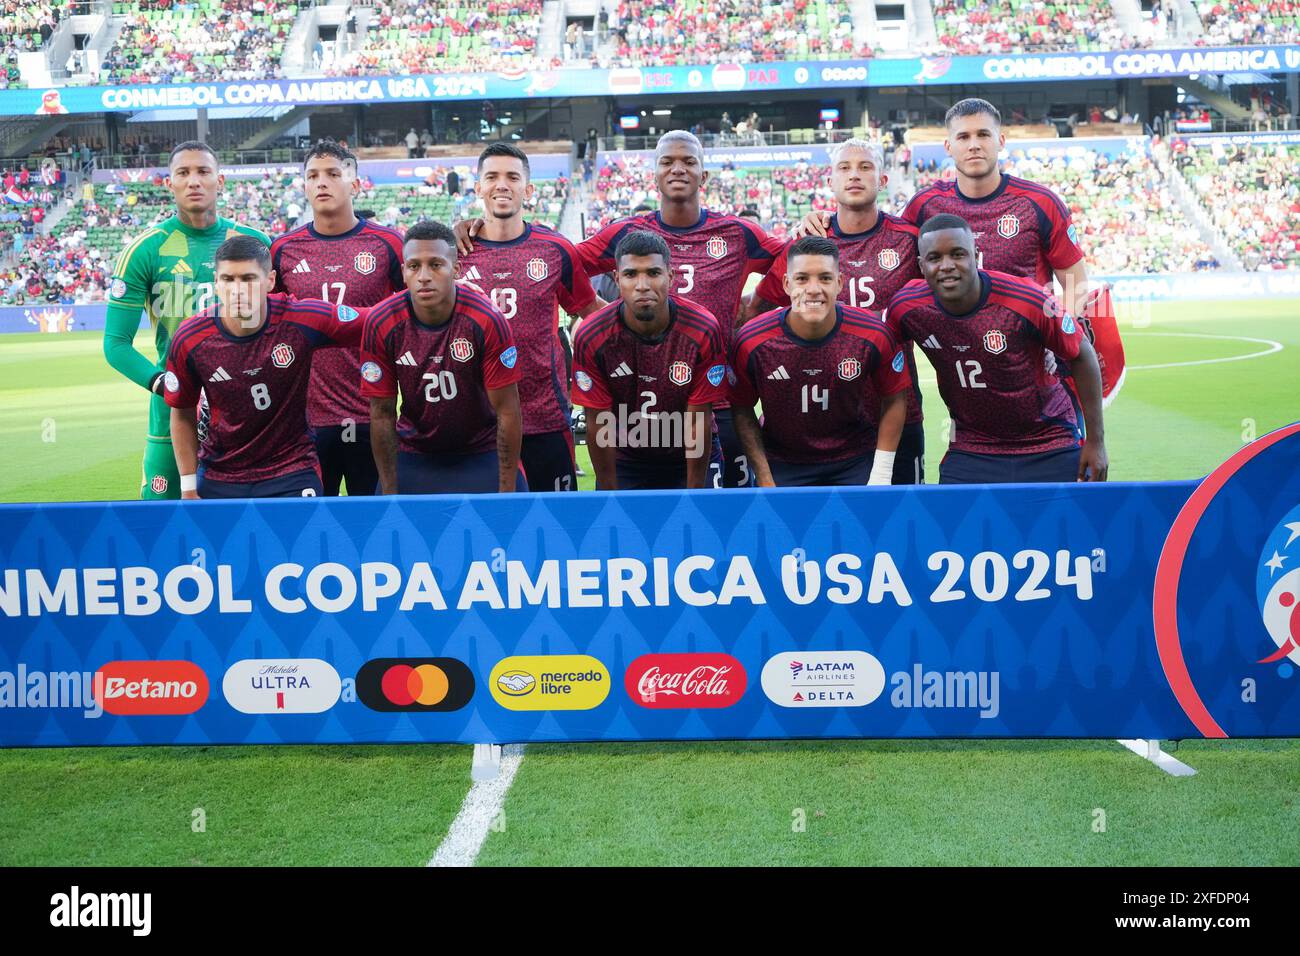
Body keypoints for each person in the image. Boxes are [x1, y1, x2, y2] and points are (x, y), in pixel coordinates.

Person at [459, 131, 784, 488]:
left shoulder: (737, 232)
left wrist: (756, 306)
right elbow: (560, 260)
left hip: (717, 403)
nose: (678, 169)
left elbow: (794, 262)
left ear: (704, 176)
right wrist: (474, 231)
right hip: (636, 407)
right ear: (654, 174)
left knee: (723, 520)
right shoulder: (624, 233)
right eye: (667, 162)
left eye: (689, 162)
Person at [743, 139, 927, 483]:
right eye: (844, 168)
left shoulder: (909, 240)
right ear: (830, 180)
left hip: (897, 407)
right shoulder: (806, 243)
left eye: (865, 167)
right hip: (819, 419)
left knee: (898, 528)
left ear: (883, 180)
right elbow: (758, 311)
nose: (854, 175)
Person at [103, 141, 271, 500]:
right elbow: (115, 344)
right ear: (169, 184)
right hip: (171, 416)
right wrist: (163, 384)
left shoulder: (255, 244)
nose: (194, 181)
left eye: (203, 172)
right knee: (159, 531)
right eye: (183, 173)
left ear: (220, 181)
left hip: (247, 416)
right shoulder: (145, 250)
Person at [886, 215, 1108, 484]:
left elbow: (1082, 354)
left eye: (958, 254)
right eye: (934, 258)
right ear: (921, 265)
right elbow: (881, 358)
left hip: (1048, 439)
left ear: (976, 256)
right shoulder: (907, 308)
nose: (946, 266)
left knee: (1061, 524)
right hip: (972, 445)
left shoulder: (1027, 300)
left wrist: (1096, 442)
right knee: (955, 523)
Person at [163, 235, 365, 499]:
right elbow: (182, 412)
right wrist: (188, 487)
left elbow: (375, 323)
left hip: (292, 470)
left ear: (270, 281)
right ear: (215, 283)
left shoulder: (300, 318)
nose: (237, 290)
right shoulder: (191, 337)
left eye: (248, 279)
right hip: (221, 473)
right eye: (228, 280)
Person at [456, 143, 605, 492]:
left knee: (558, 530)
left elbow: (593, 313)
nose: (502, 185)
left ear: (529, 189)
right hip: (476, 424)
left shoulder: (554, 249)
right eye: (491, 177)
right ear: (478, 188)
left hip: (545, 417)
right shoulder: (455, 252)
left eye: (512, 177)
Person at [271, 140, 405, 498]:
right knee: (312, 531)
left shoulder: (389, 244)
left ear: (355, 185)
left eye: (333, 174)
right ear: (303, 186)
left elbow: (414, 316)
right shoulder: (283, 249)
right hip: (306, 423)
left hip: (373, 414)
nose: (321, 182)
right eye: (313, 175)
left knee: (375, 523)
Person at [362, 220, 525, 495]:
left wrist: (506, 492)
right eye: (414, 266)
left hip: (480, 450)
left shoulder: (486, 319)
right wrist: (389, 493)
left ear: (456, 269)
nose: (424, 275)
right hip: (413, 450)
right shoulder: (382, 321)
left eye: (436, 265)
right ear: (403, 272)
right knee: (390, 530)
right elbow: (381, 414)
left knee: (508, 528)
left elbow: (508, 411)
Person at [732, 237, 910, 487]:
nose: (813, 289)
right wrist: (764, 476)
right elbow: (741, 408)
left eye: (825, 278)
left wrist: (880, 475)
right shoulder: (752, 340)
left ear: (839, 283)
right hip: (783, 461)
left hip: (854, 457)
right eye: (802, 278)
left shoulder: (873, 333)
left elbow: (894, 398)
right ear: (786, 284)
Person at [572, 231, 727, 490]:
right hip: (626, 458)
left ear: (671, 276)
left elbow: (698, 421)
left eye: (653, 273)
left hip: (687, 455)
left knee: (698, 528)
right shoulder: (593, 335)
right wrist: (609, 493)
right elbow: (598, 424)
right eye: (631, 274)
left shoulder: (702, 329)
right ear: (617, 278)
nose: (642, 285)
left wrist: (695, 494)